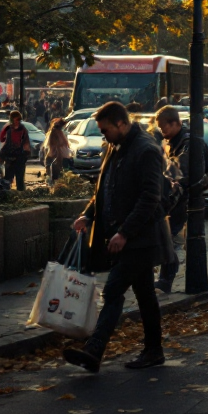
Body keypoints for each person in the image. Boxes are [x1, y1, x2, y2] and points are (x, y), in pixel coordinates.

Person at [63, 102, 173, 373]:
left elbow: (150, 198)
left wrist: (124, 232)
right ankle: (153, 350)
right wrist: (88, 215)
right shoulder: (116, 146)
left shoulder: (145, 150)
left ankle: (94, 350)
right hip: (127, 237)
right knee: (145, 294)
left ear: (121, 124)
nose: (103, 135)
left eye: (105, 130)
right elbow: (104, 189)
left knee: (113, 289)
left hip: (141, 238)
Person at [152, 106, 208, 293]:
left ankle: (166, 280)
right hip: (179, 196)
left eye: (163, 127)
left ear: (175, 124)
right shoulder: (174, 141)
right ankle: (165, 279)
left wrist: (191, 188)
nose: (161, 131)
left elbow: (185, 173)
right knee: (170, 237)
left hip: (184, 198)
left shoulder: (188, 143)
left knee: (171, 237)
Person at [0, 110, 33, 191]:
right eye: (15, 119)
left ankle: (20, 194)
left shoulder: (23, 129)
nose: (16, 122)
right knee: (8, 178)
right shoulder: (8, 128)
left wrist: (26, 154)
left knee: (20, 178)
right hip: (9, 156)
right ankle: (6, 194)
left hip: (20, 156)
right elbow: (2, 139)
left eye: (18, 120)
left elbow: (26, 142)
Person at [41, 118, 72, 183]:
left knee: (53, 176)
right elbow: (63, 146)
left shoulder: (54, 133)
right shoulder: (59, 133)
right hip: (62, 156)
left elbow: (53, 146)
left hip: (56, 156)